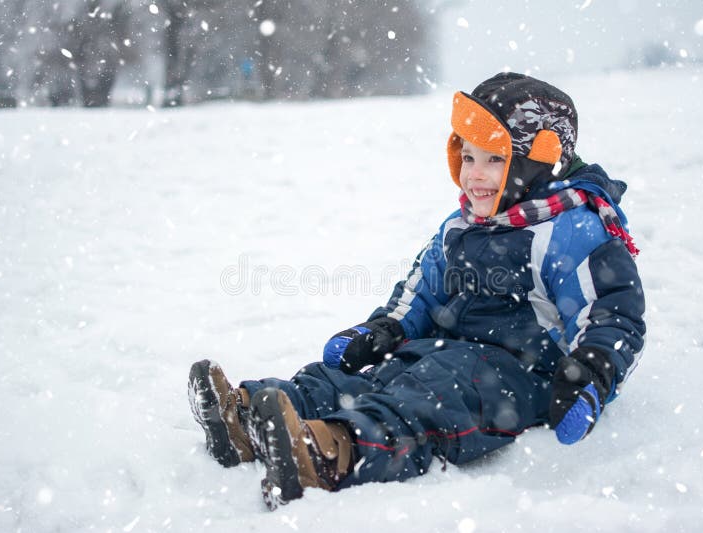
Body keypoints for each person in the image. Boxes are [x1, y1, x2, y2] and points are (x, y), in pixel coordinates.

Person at [187, 73, 646, 510]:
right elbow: (422, 289)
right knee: (374, 377)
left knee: (423, 400)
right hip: (444, 350)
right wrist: (387, 327)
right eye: (467, 157)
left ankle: (330, 452)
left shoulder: (572, 229)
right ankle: (253, 418)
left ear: (540, 160)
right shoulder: (461, 226)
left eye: (494, 159)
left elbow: (613, 315)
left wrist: (587, 377)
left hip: (521, 377)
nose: (474, 175)